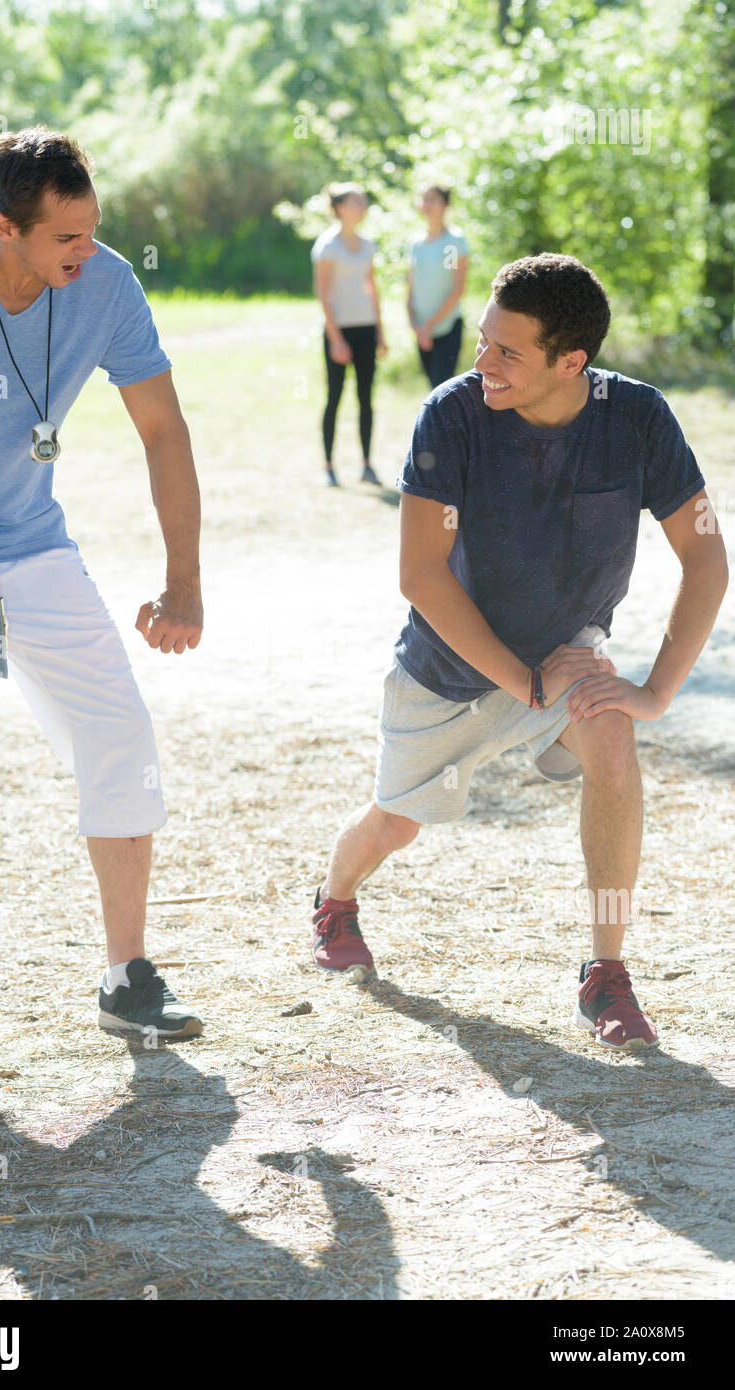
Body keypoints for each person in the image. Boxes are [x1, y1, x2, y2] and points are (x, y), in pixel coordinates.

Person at [310, 253, 728, 1053]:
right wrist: (524, 681)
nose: (483, 364)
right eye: (482, 342)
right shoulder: (451, 414)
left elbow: (705, 557)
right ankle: (334, 899)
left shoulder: (638, 418)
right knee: (394, 823)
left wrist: (656, 690)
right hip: (448, 672)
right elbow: (420, 575)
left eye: (507, 352)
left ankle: (605, 971)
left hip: (562, 661)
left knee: (612, 732)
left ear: (571, 361)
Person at [0, 127, 206, 1044]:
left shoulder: (105, 284)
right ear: (3, 227)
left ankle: (126, 978)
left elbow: (163, 430)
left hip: (28, 539)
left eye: (93, 230)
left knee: (118, 731)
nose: (87, 252)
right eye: (67, 238)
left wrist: (184, 582)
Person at [311, 183, 387, 487]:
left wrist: (380, 331)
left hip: (366, 329)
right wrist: (336, 339)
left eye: (364, 202)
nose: (362, 206)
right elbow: (324, 294)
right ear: (340, 207)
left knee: (366, 398)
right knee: (335, 397)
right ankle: (329, 466)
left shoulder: (367, 245)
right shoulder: (327, 246)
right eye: (357, 202)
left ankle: (367, 464)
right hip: (339, 330)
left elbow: (371, 288)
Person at [406, 185, 470, 390]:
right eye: (424, 198)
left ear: (445, 205)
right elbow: (410, 287)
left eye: (433, 199)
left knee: (441, 388)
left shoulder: (452, 242)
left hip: (446, 327)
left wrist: (429, 326)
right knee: (431, 389)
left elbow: (456, 289)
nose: (427, 204)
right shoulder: (415, 243)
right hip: (421, 329)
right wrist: (416, 325)